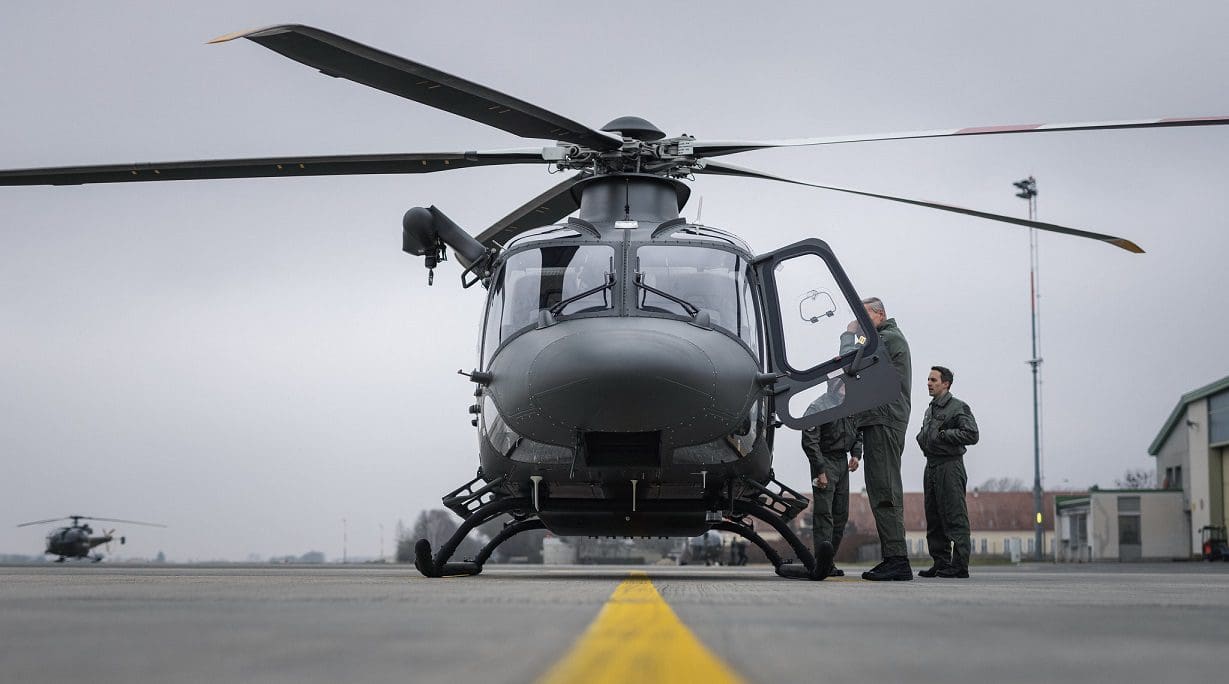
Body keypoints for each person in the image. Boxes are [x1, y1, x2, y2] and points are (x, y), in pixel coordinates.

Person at [843, 296, 913, 581]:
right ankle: (893, 557)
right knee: (881, 488)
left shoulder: (887, 339)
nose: (860, 324)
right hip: (880, 419)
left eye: (864, 317)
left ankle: (897, 560)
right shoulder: (880, 338)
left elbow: (852, 363)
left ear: (880, 314)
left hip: (884, 419)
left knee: (885, 489)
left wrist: (849, 335)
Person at [916, 365, 979, 578]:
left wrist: (945, 436)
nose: (929, 383)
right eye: (928, 379)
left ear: (946, 384)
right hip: (931, 465)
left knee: (954, 515)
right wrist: (921, 439)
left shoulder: (958, 407)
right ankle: (941, 562)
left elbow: (972, 434)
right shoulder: (930, 409)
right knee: (933, 517)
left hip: (950, 466)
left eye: (933, 380)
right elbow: (926, 433)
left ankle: (960, 565)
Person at [802, 380, 863, 578]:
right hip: (824, 460)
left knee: (840, 515)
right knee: (824, 515)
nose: (846, 390)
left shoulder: (850, 406)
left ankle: (829, 561)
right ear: (833, 387)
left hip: (842, 462)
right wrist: (820, 470)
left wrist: (856, 454)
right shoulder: (818, 408)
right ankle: (821, 562)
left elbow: (858, 432)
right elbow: (810, 441)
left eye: (847, 385)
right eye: (842, 385)